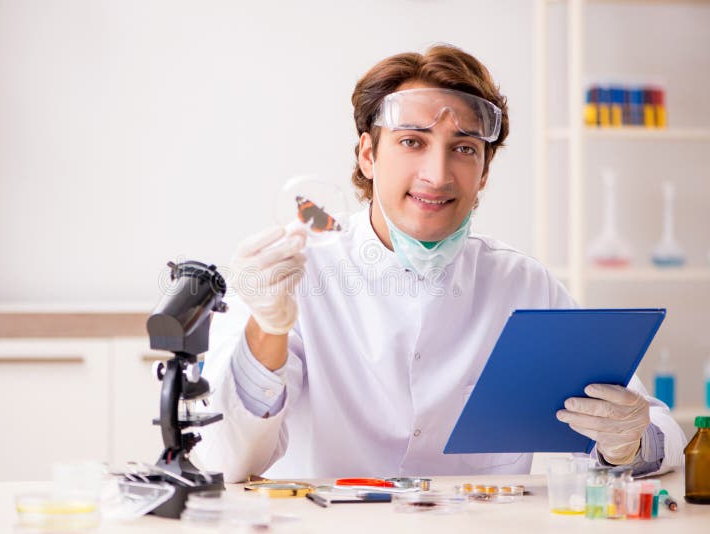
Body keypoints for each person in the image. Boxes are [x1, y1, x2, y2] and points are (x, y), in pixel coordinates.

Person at [195, 44, 686, 482]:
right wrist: (268, 328)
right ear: (369, 154)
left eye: (464, 149)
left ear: (484, 173)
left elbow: (658, 428)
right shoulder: (291, 277)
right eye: (412, 141)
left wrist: (628, 441)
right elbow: (228, 460)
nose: (437, 173)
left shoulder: (522, 284)